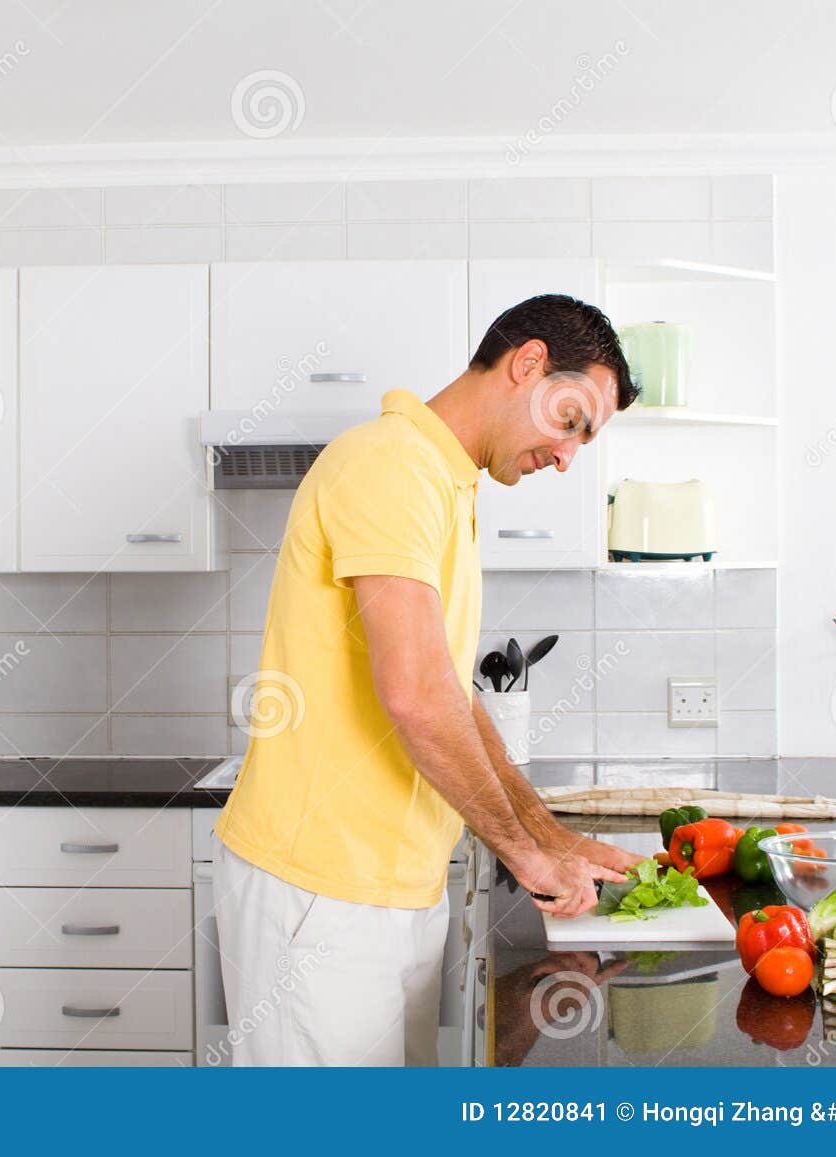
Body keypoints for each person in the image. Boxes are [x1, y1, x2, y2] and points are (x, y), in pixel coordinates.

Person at [213, 294, 643, 1066]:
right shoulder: (390, 465)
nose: (571, 456)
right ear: (530, 364)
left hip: (389, 890)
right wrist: (524, 855)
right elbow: (412, 694)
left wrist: (550, 836)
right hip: (323, 890)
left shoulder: (445, 483)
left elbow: (447, 690)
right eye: (573, 422)